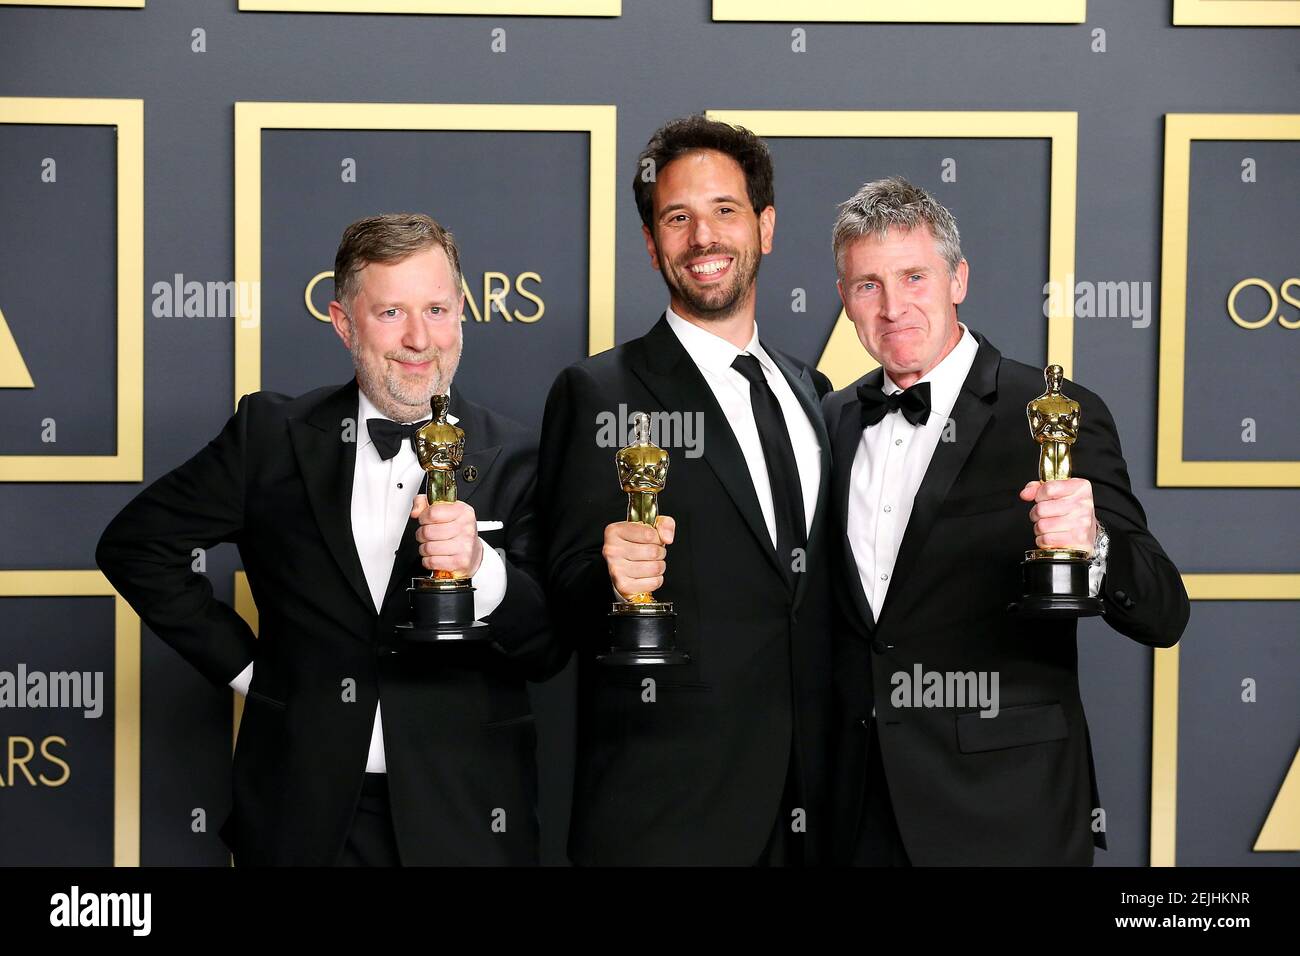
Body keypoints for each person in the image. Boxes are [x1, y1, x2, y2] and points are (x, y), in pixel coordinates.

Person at [96, 213, 563, 865]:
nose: (419, 338)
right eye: (390, 313)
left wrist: (483, 570)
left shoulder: (520, 456)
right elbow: (136, 546)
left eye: (436, 308)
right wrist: (254, 673)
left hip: (466, 821)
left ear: (461, 312)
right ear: (345, 324)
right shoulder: (270, 436)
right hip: (300, 819)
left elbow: (545, 648)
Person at [822, 177, 1190, 865]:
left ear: (958, 278)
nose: (893, 306)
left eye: (913, 276)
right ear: (845, 302)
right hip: (858, 815)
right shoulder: (830, 420)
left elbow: (1164, 613)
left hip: (1006, 813)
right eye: (868, 285)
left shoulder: (1053, 411)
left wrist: (1095, 544)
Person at [538, 115, 834, 865]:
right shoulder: (598, 391)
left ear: (764, 227)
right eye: (678, 218)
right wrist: (609, 575)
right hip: (669, 816)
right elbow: (559, 593)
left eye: (724, 212)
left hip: (821, 806)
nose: (703, 238)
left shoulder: (813, 390)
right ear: (651, 243)